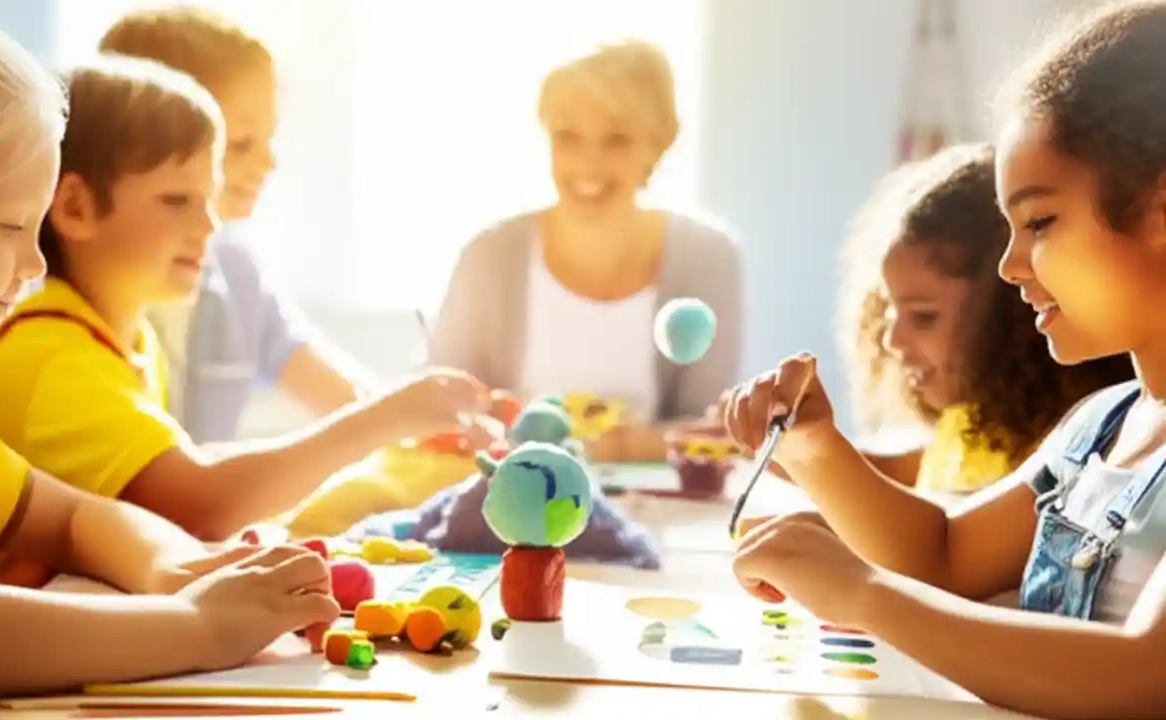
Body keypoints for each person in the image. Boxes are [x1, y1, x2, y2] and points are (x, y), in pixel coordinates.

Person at [0, 1, 336, 711]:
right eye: (11, 225)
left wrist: (179, 570)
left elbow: (74, 520)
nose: (35, 263)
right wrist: (199, 624)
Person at [725, 2, 1166, 717]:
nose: (1010, 265)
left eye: (1040, 222)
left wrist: (863, 593)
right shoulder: (1100, 426)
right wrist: (814, 448)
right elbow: (943, 557)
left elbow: (1149, 675)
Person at [0, 56, 489, 550]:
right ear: (75, 207)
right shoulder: (53, 357)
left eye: (209, 199)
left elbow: (178, 470)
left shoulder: (121, 336)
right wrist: (383, 419)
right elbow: (202, 506)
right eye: (176, 200)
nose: (209, 224)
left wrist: (391, 429)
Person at [427, 39, 742, 462]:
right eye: (567, 137)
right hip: (507, 501)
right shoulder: (488, 256)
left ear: (659, 143)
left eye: (617, 140)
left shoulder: (708, 259)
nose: (588, 164)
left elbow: (713, 430)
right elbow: (441, 411)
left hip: (658, 512)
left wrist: (608, 447)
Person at [97, 6, 373, 444]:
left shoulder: (237, 278)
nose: (269, 163)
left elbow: (353, 399)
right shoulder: (87, 290)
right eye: (241, 143)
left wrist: (423, 416)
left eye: (269, 138)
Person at [837, 143, 1132, 493]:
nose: (892, 340)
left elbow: (940, 535)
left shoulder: (1059, 451)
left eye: (924, 317)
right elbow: (908, 470)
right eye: (888, 309)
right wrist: (794, 451)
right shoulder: (966, 423)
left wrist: (819, 460)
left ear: (1011, 319)